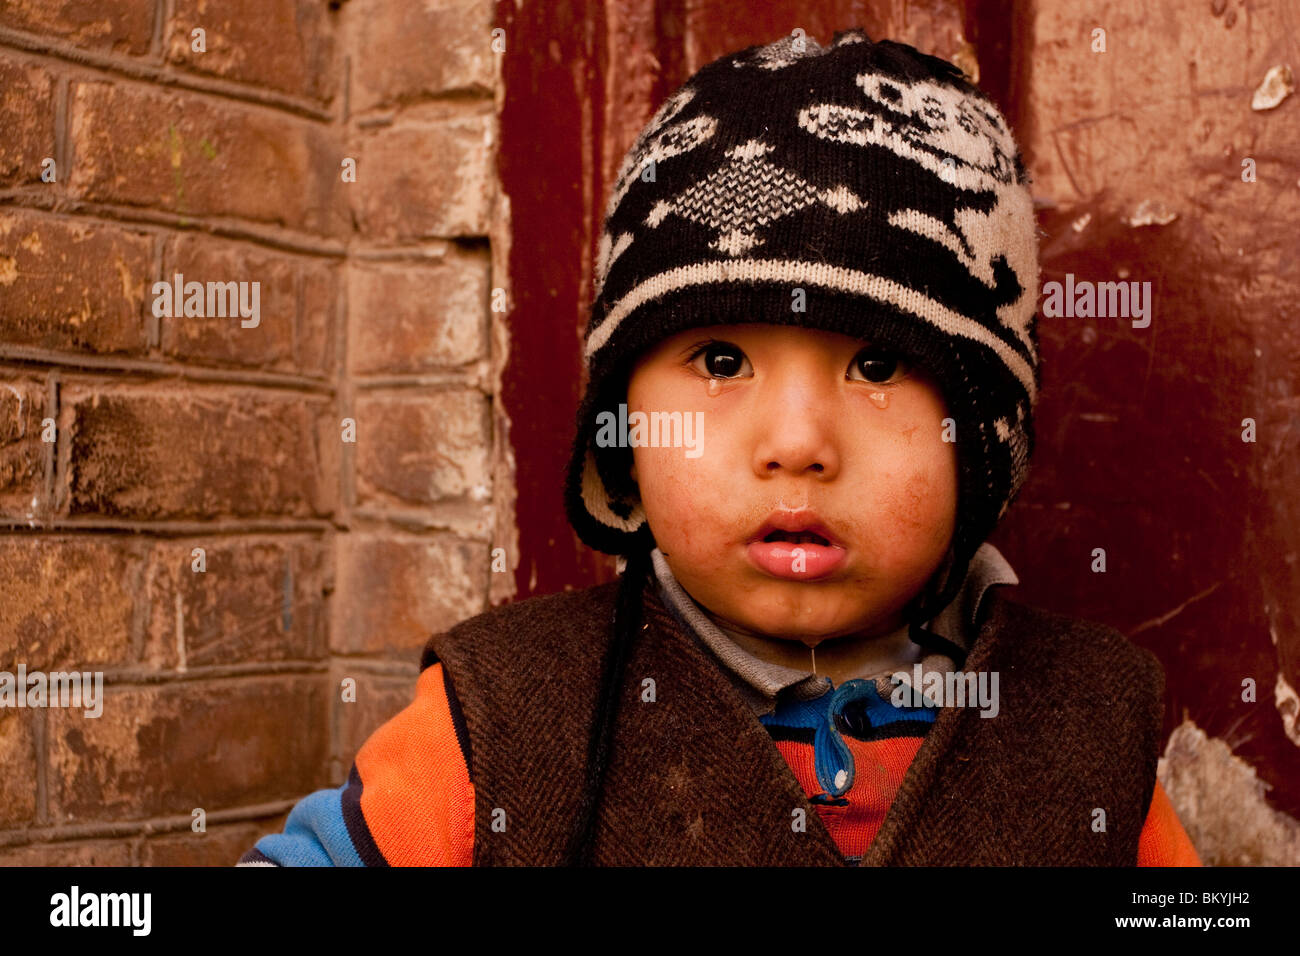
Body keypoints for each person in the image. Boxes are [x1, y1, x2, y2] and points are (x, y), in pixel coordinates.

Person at [239, 27, 1200, 867]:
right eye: (723, 358)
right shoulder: (502, 722)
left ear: (983, 443)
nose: (796, 445)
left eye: (876, 368)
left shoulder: (1087, 724)